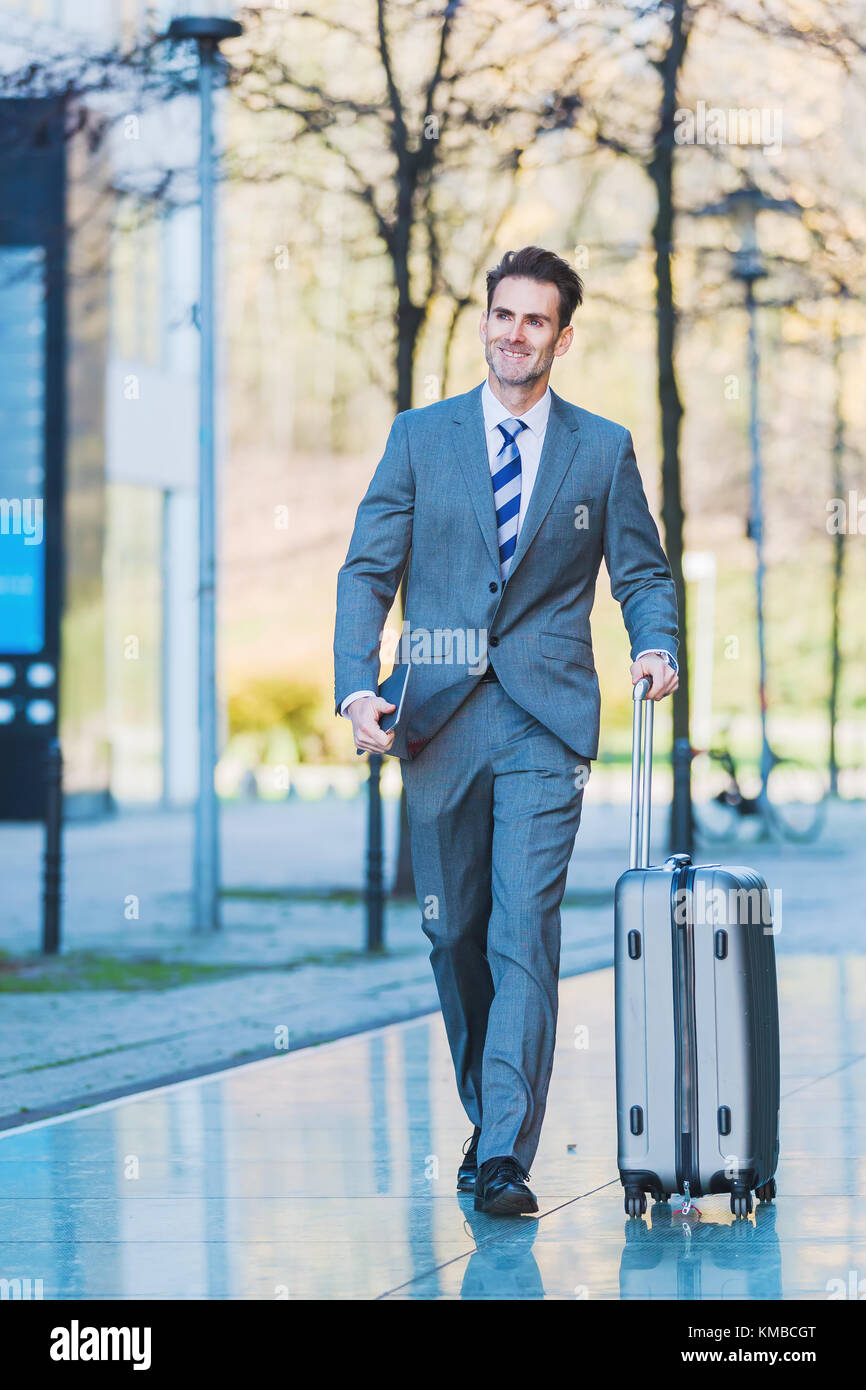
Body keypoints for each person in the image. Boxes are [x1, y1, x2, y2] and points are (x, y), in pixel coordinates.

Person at [334, 246, 678, 1215]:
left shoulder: (600, 449)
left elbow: (640, 573)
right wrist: (355, 687)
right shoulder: (417, 438)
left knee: (523, 932)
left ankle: (501, 1155)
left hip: (543, 720)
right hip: (434, 718)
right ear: (481, 322)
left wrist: (654, 644)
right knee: (454, 938)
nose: (512, 333)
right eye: (500, 315)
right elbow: (366, 570)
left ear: (561, 337)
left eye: (534, 320)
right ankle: (490, 1113)